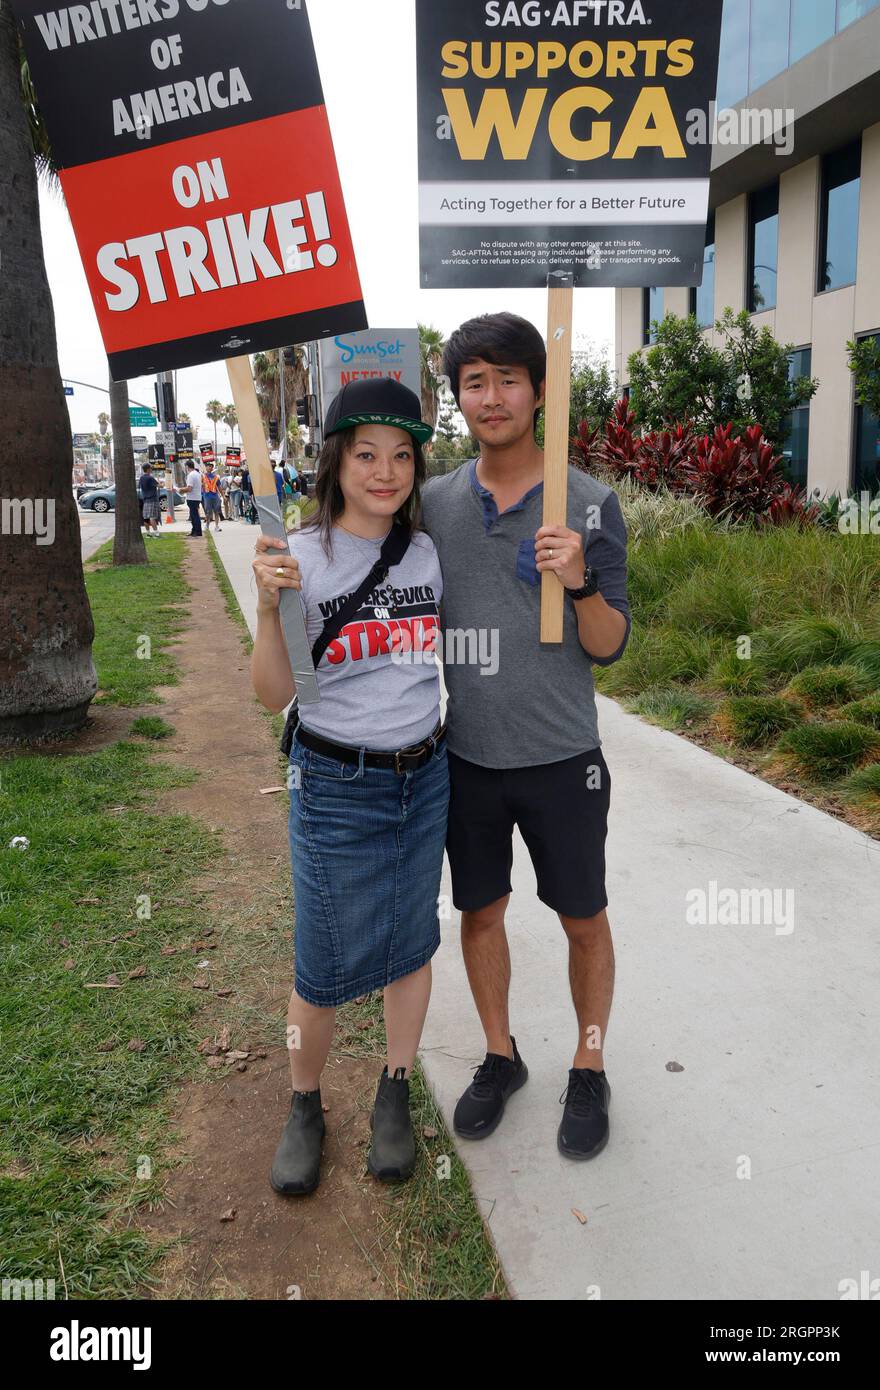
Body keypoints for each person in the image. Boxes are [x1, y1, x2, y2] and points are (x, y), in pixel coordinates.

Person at [422, 312, 631, 1162]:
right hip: (468, 758)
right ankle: (501, 1055)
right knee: (481, 912)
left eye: (510, 378)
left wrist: (580, 584)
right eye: (475, 381)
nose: (493, 396)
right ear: (459, 399)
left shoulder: (588, 501)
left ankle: (588, 1062)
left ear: (541, 391)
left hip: (564, 762)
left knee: (583, 917)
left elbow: (611, 645)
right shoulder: (433, 502)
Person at [250, 378, 447, 1197]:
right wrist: (267, 610)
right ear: (337, 460)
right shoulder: (301, 557)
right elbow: (273, 693)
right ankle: (305, 1105)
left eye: (402, 455)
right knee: (322, 963)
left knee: (412, 942)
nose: (386, 471)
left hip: (423, 777)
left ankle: (394, 1093)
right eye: (367, 453)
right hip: (335, 783)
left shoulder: (427, 552)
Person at [138, 463, 161, 537]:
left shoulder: (141, 478)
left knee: (146, 517)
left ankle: (148, 533)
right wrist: (162, 483)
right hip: (152, 499)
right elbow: (159, 485)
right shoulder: (150, 478)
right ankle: (156, 533)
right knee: (152, 517)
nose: (152, 469)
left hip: (145, 500)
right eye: (151, 468)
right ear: (148, 469)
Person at [202, 460, 223, 533]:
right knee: (208, 512)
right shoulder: (203, 476)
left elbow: (219, 487)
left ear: (212, 468)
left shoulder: (216, 477)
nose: (210, 468)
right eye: (208, 466)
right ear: (206, 467)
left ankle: (216, 526)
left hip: (215, 496)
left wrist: (223, 496)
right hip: (207, 496)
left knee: (216, 511)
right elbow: (200, 486)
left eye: (211, 466)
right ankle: (207, 525)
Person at [184, 460, 203, 537]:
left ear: (187, 467)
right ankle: (196, 531)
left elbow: (189, 488)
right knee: (194, 515)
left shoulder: (191, 475)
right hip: (197, 497)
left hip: (192, 497)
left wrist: (180, 490)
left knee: (194, 515)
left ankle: (196, 531)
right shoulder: (198, 474)